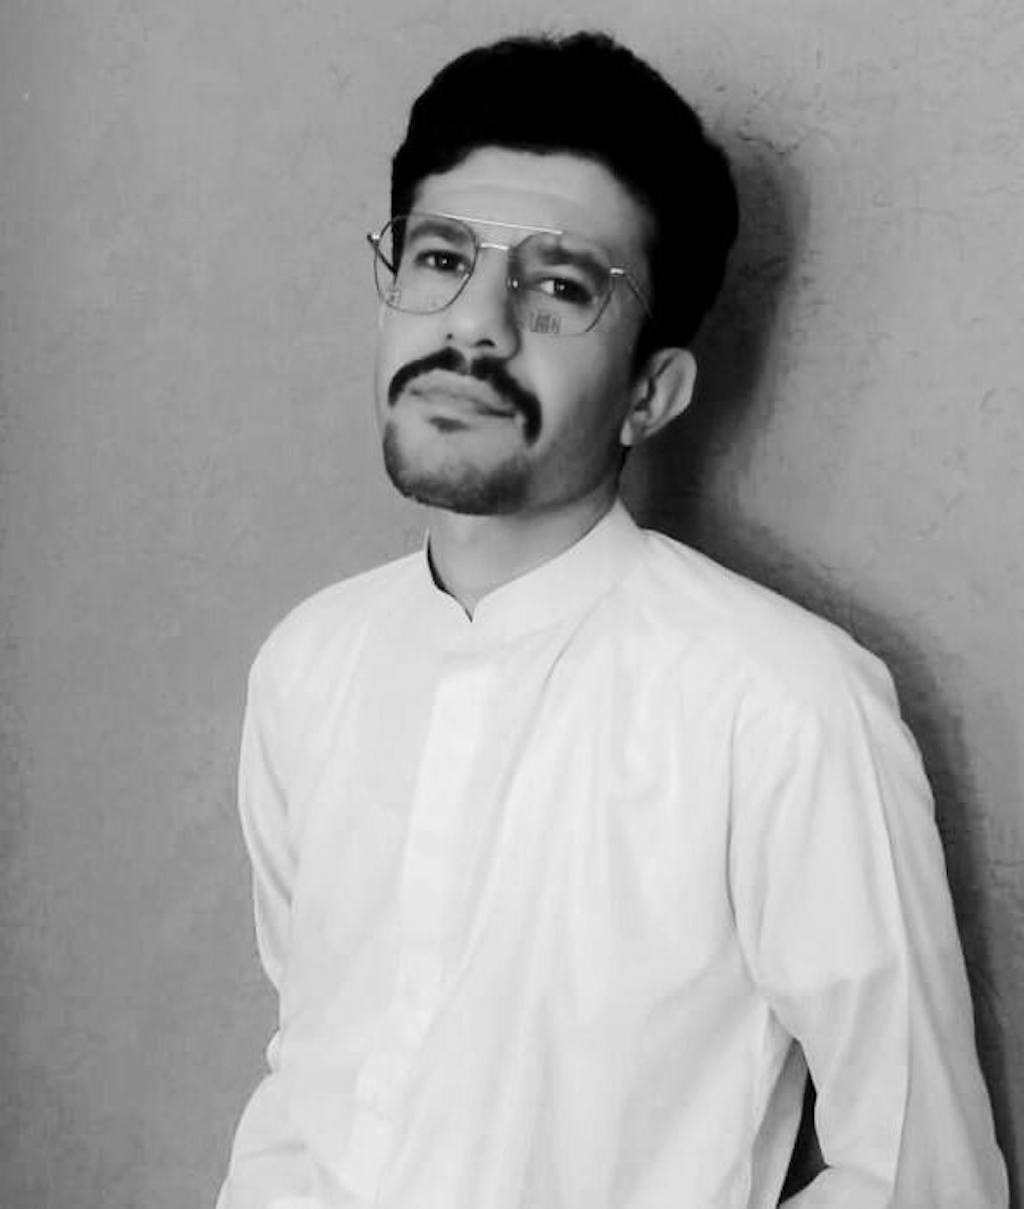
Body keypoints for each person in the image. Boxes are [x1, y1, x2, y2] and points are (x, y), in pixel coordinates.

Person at [216, 31, 1008, 1209]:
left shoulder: (783, 710)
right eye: (440, 257)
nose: (473, 324)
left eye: (558, 285)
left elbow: (919, 1178)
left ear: (651, 392)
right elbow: (313, 1066)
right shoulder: (307, 665)